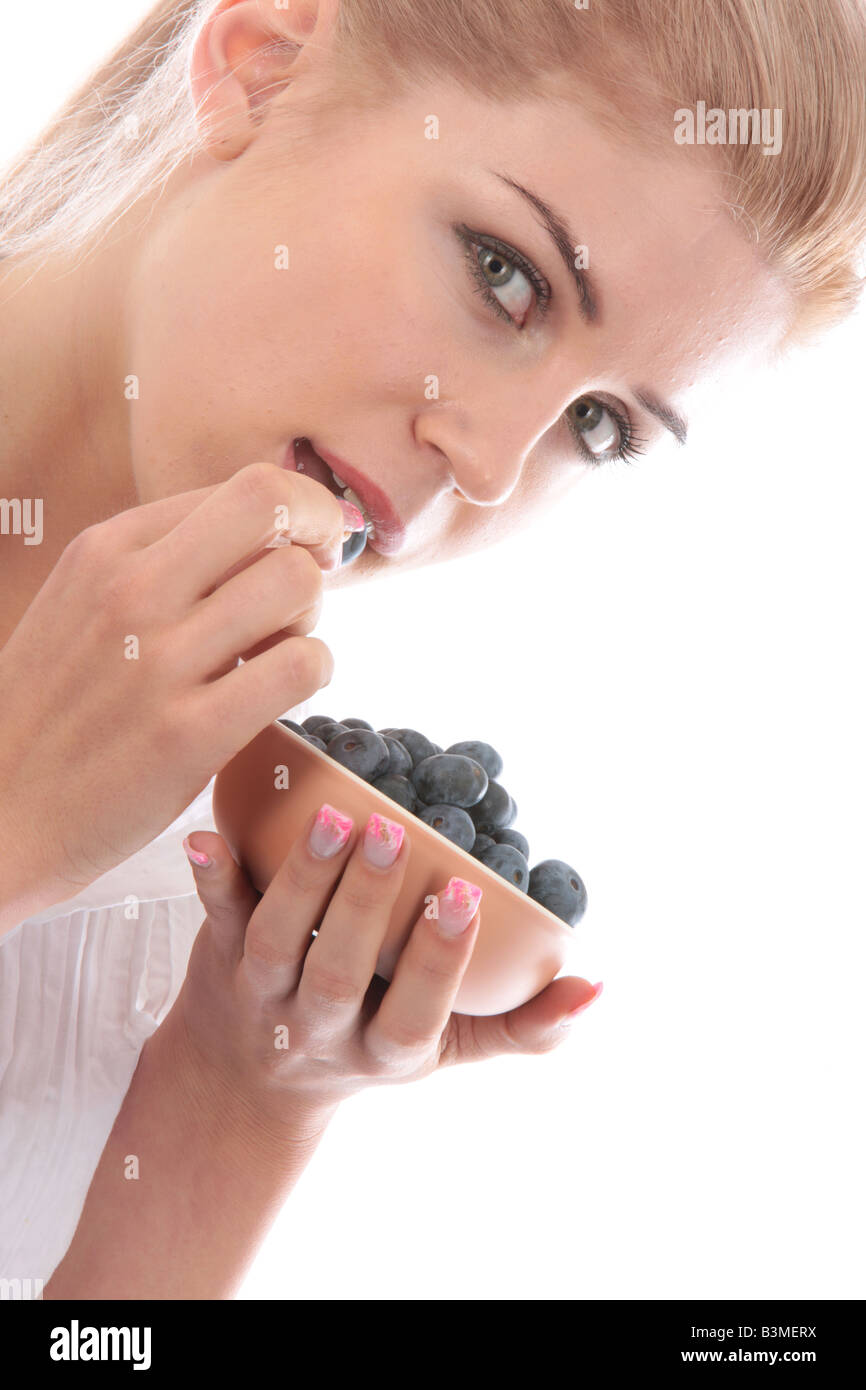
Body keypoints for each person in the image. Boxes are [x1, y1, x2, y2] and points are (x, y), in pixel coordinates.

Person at [0, 0, 863, 1298]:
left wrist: (242, 1098)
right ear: (265, 61)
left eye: (597, 426)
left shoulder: (222, 828)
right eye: (504, 274)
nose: (491, 459)